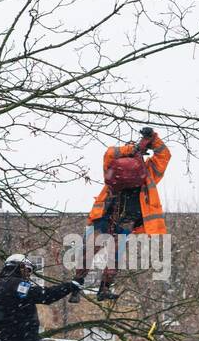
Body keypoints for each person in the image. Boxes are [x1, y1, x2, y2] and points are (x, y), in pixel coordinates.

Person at [72, 127, 171, 302]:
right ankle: (99, 288)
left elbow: (110, 153)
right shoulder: (147, 174)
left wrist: (144, 143)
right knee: (112, 256)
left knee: (93, 252)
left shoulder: (114, 168)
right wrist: (151, 140)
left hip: (110, 218)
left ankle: (78, 286)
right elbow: (164, 156)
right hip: (121, 220)